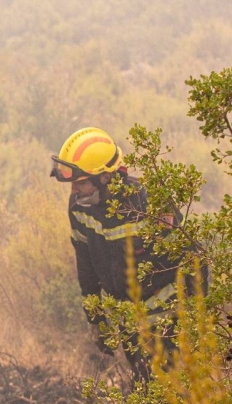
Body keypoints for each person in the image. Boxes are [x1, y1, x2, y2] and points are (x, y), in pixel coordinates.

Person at [50, 127, 190, 390]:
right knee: (146, 393)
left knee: (172, 395)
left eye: (81, 182)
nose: (75, 189)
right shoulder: (79, 208)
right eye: (73, 183)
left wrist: (197, 318)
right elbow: (86, 267)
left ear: (104, 177)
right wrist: (96, 320)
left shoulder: (149, 203)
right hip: (129, 321)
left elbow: (192, 259)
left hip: (168, 318)